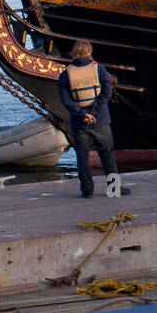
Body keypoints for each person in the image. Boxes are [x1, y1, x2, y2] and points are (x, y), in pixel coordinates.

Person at [57, 41, 129, 199]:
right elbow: (107, 93)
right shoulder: (99, 69)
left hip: (79, 122)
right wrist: (94, 112)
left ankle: (87, 191)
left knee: (82, 157)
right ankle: (114, 189)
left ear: (74, 53)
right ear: (89, 52)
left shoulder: (66, 74)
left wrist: (83, 114)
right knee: (107, 156)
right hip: (101, 120)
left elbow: (65, 99)